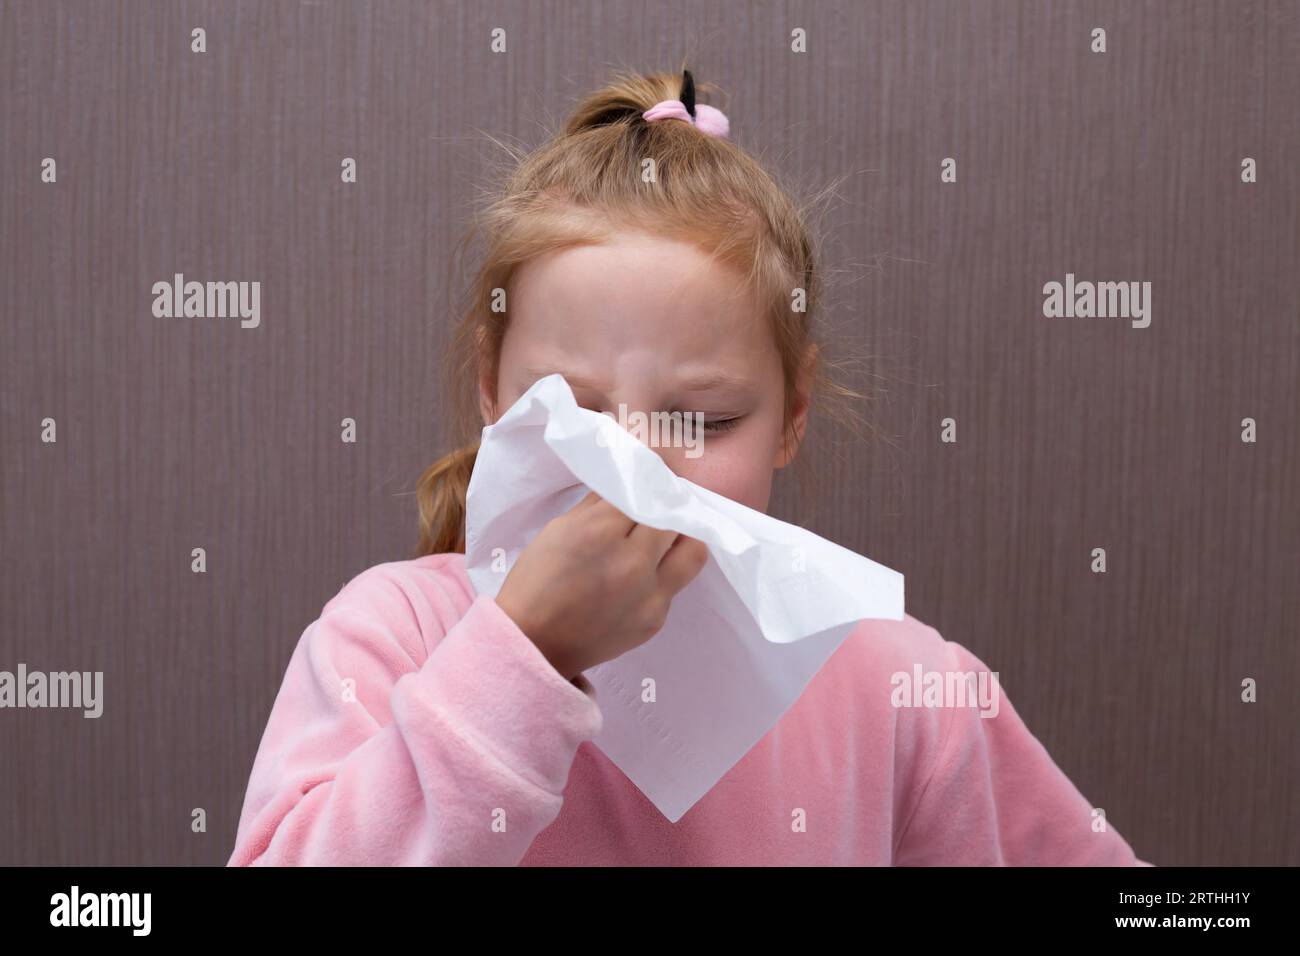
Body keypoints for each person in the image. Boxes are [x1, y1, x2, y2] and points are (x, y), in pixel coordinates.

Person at [228, 67, 1150, 866]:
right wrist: (524, 657)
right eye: (575, 414)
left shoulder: (901, 691)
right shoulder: (392, 638)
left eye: (700, 420)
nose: (629, 473)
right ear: (488, 388)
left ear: (792, 414)